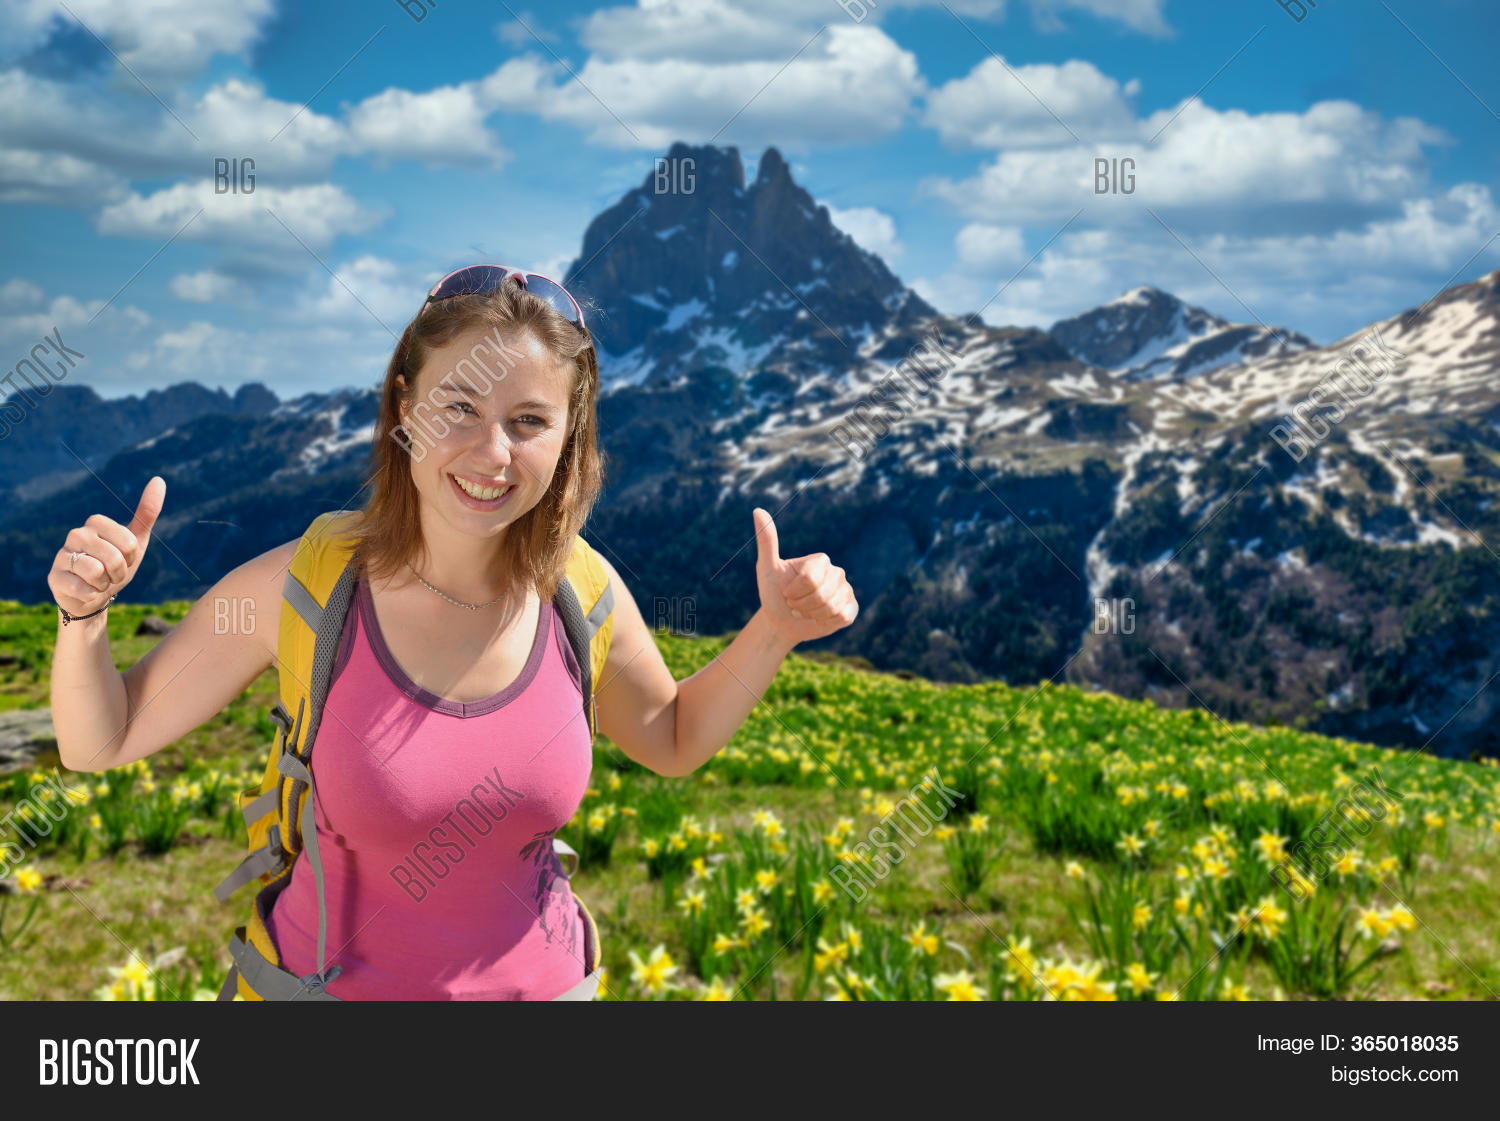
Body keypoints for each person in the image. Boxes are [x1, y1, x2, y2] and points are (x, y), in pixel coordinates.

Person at [46, 264, 858, 1000]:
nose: (491, 453)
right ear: (405, 402)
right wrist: (84, 618)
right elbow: (99, 739)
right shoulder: (308, 585)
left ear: (570, 433)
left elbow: (674, 737)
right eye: (460, 407)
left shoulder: (581, 587)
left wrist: (776, 629)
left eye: (530, 420)